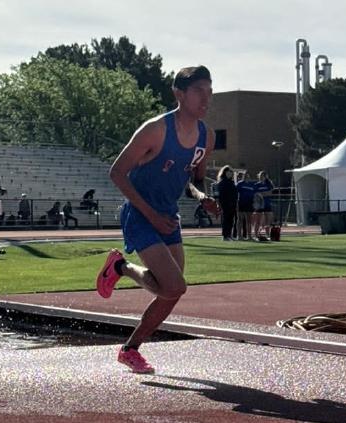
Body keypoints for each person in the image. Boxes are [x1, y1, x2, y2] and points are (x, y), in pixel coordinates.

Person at [97, 65, 219, 374]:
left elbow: (194, 180)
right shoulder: (155, 129)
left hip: (168, 218)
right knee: (174, 286)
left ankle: (130, 349)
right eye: (198, 91)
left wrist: (202, 197)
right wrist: (151, 214)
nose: (206, 98)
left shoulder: (207, 136)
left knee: (171, 293)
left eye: (210, 90)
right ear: (179, 94)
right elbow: (117, 172)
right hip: (140, 215)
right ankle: (121, 267)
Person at [216, 165, 238, 241]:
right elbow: (219, 195)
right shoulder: (222, 183)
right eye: (229, 172)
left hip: (233, 204)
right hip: (225, 204)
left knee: (231, 220)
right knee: (225, 220)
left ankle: (229, 235)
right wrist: (219, 205)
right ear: (225, 173)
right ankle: (225, 236)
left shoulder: (232, 183)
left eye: (231, 172)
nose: (230, 173)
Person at [252, 171, 273, 241]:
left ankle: (267, 235)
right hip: (259, 205)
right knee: (257, 221)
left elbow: (270, 193)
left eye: (263, 176)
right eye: (261, 176)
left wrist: (261, 193)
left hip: (267, 204)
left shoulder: (269, 184)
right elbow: (256, 194)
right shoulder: (256, 185)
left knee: (268, 220)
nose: (262, 177)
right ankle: (256, 235)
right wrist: (263, 193)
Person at [236, 172, 255, 240]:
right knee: (240, 220)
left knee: (249, 220)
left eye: (247, 176)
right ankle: (239, 236)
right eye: (245, 176)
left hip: (249, 204)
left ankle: (249, 236)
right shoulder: (240, 184)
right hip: (241, 203)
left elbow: (254, 195)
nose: (246, 177)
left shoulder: (252, 185)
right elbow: (236, 193)